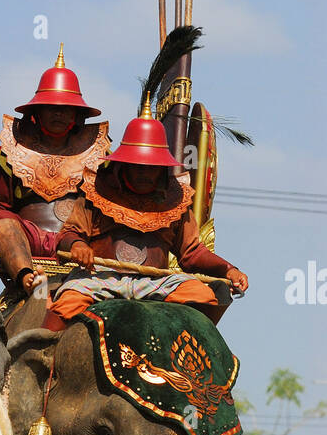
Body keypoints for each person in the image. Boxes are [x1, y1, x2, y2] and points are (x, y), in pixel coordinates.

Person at [43, 94, 248, 332]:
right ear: (124, 163)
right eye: (138, 166)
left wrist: (228, 269)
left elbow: (192, 253)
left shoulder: (178, 199)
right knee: (67, 304)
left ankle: (193, 360)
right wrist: (76, 245)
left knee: (202, 295)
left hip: (156, 281)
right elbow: (69, 233)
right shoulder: (95, 191)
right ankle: (40, 360)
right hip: (99, 278)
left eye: (152, 168)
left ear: (162, 169)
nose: (144, 173)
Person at [0, 45, 110, 293]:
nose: (58, 113)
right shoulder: (10, 153)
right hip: (27, 238)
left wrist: (81, 242)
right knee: (2, 221)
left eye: (66, 108)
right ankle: (26, 277)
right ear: (37, 112)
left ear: (77, 114)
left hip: (77, 241)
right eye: (51, 107)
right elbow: (0, 206)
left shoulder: (100, 158)